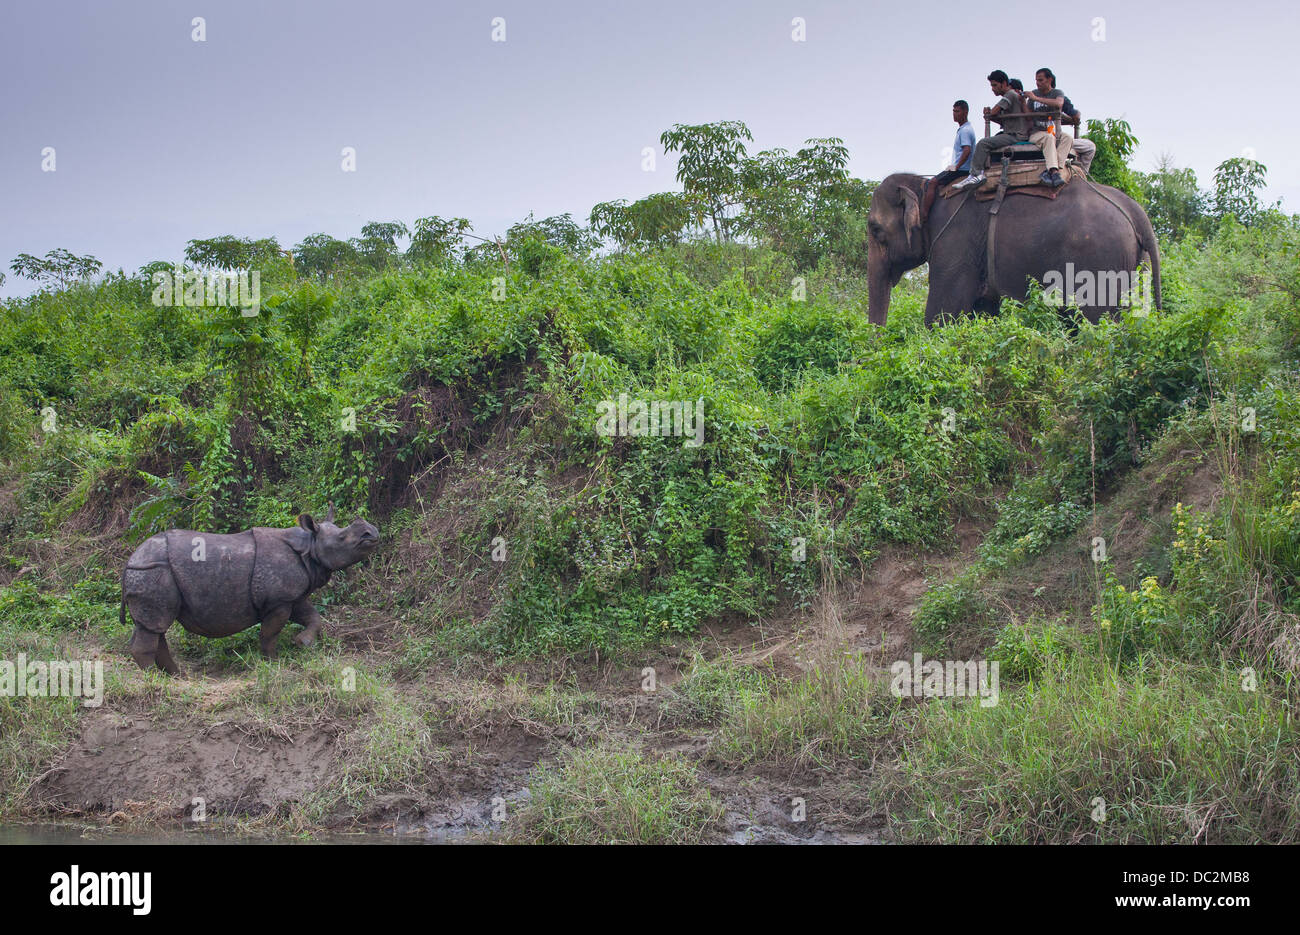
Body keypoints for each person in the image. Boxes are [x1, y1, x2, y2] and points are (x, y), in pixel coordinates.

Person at [953, 71, 1028, 190]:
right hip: (1012, 133)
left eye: (995, 85)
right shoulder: (1010, 96)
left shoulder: (1010, 94)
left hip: (1015, 135)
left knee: (983, 143)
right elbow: (997, 118)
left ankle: (977, 174)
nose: (993, 89)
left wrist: (988, 112)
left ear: (1003, 83)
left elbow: (992, 113)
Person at [923, 100, 977, 216]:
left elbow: (967, 150)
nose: (954, 114)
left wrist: (956, 167)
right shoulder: (964, 129)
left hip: (962, 168)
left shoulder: (965, 131)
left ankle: (924, 215)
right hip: (960, 166)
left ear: (965, 112)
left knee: (932, 182)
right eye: (953, 111)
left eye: (957, 111)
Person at [1023, 67, 1071, 187]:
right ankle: (1054, 171)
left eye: (1040, 80)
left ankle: (1054, 169)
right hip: (1036, 133)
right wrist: (1023, 101)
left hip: (1052, 131)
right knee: (1049, 138)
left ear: (1049, 80)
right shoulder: (1034, 93)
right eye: (1036, 81)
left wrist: (1035, 98)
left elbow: (1059, 103)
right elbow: (1028, 115)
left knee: (1068, 138)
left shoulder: (1056, 93)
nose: (1037, 83)